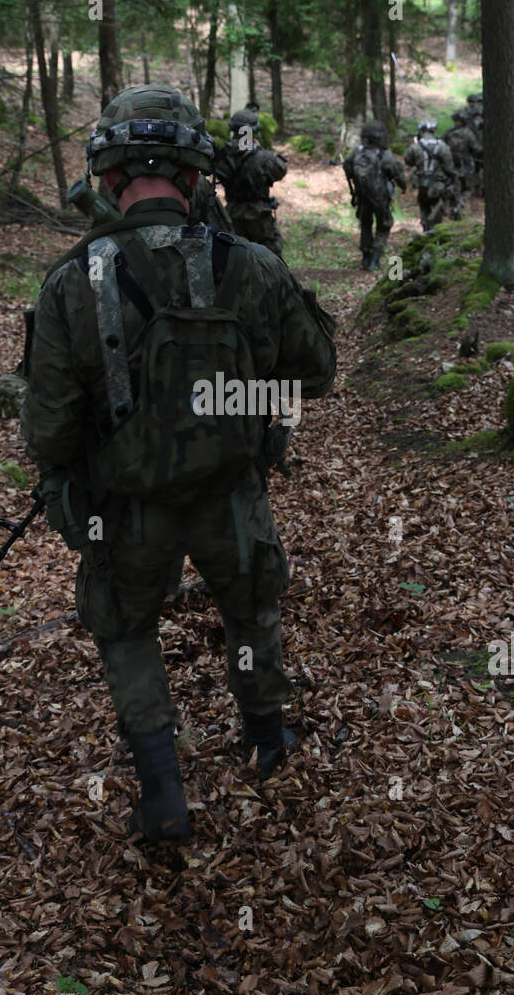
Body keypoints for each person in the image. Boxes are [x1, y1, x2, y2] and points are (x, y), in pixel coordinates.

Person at [20, 84, 337, 843]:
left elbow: (51, 433)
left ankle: (164, 793)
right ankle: (267, 741)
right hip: (232, 492)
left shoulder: (73, 282)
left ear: (108, 179)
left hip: (126, 508)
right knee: (250, 609)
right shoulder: (253, 264)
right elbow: (316, 374)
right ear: (197, 177)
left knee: (126, 629)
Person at [214, 105, 287, 256]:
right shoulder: (261, 157)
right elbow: (280, 170)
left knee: (235, 259)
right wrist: (258, 150)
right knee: (272, 259)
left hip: (232, 215)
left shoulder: (223, 156)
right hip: (259, 216)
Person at [343, 120, 407, 271]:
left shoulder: (357, 152)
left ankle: (365, 257)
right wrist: (404, 186)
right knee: (384, 225)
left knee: (365, 224)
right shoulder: (385, 155)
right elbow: (397, 174)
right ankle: (375, 259)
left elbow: (347, 169)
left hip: (362, 197)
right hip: (380, 198)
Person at [403, 121, 459, 231]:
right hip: (438, 184)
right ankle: (433, 228)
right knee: (438, 207)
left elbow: (408, 161)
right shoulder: (442, 146)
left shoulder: (416, 146)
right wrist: (453, 179)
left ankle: (426, 227)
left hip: (422, 184)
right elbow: (449, 168)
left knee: (424, 207)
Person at [441, 110, 479, 199]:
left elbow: (441, 145)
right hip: (466, 164)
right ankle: (462, 200)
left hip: (451, 164)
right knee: (467, 188)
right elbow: (476, 148)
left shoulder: (448, 132)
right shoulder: (468, 133)